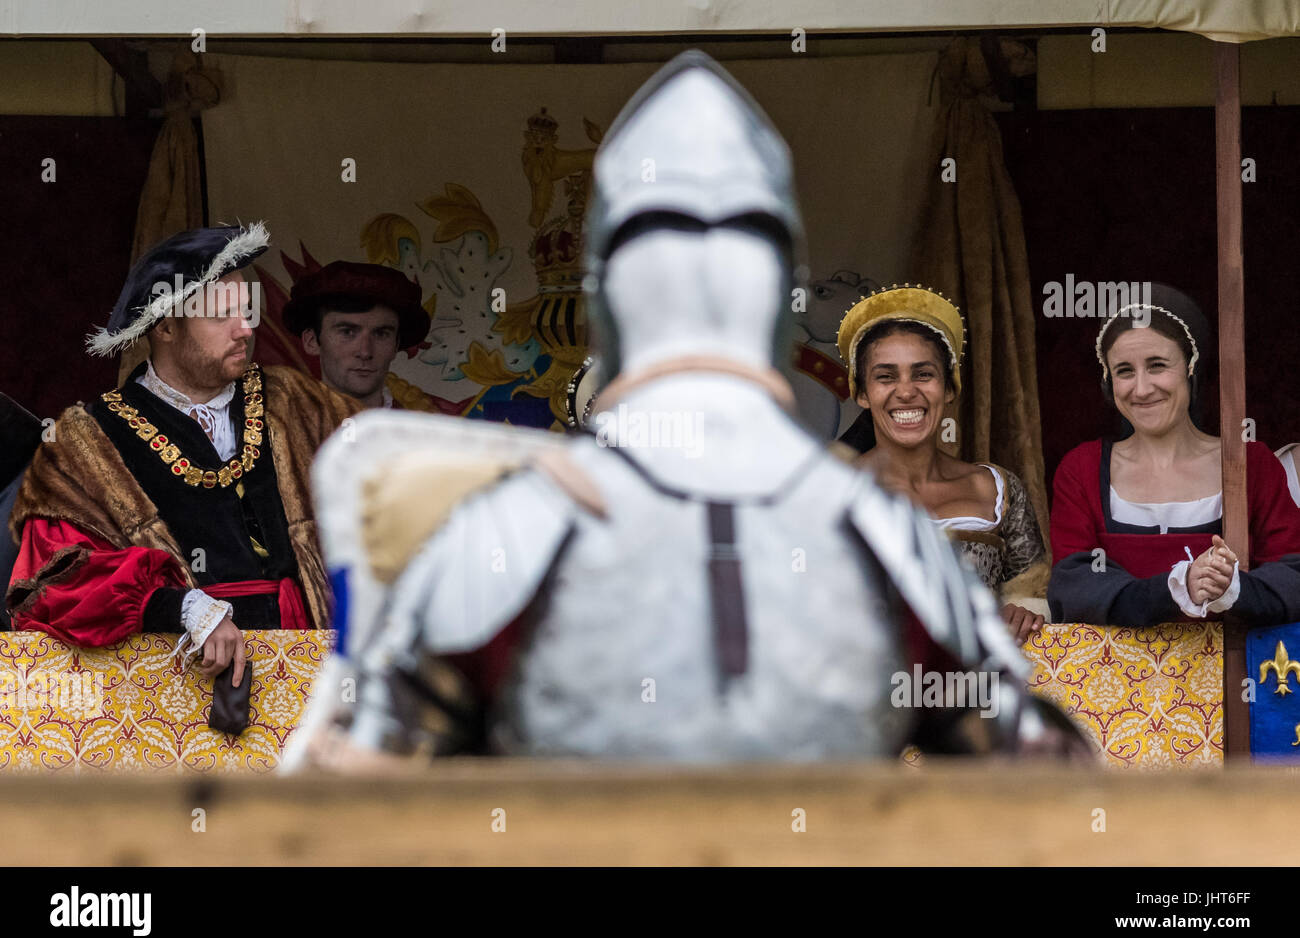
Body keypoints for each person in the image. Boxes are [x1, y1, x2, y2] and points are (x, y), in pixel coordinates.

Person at [287, 51, 1086, 770]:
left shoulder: (509, 532)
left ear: (607, 293)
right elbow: (1041, 776)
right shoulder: (882, 536)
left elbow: (354, 804)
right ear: (777, 284)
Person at [6, 224, 358, 708]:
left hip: (310, 677)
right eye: (223, 316)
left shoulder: (301, 403)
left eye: (246, 309)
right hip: (170, 695)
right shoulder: (84, 442)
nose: (246, 328)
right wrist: (182, 607)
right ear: (165, 326)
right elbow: (51, 583)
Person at [1048, 284, 1300, 626]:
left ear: (1191, 367)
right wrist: (1176, 589)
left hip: (1233, 675)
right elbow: (1072, 587)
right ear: (1109, 380)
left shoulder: (1251, 465)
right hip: (1113, 677)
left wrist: (1231, 589)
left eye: (1157, 365)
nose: (1141, 388)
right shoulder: (1082, 470)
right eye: (1124, 371)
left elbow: (1293, 575)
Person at [837, 284, 1050, 642]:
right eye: (885, 376)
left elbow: (1033, 596)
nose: (906, 391)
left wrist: (1023, 613)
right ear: (861, 393)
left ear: (949, 388)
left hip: (976, 692)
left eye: (923, 374)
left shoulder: (996, 488)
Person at [283, 260, 431, 409]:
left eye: (381, 334)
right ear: (312, 341)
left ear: (396, 345)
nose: (365, 352)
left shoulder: (421, 431)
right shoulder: (277, 428)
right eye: (347, 332)